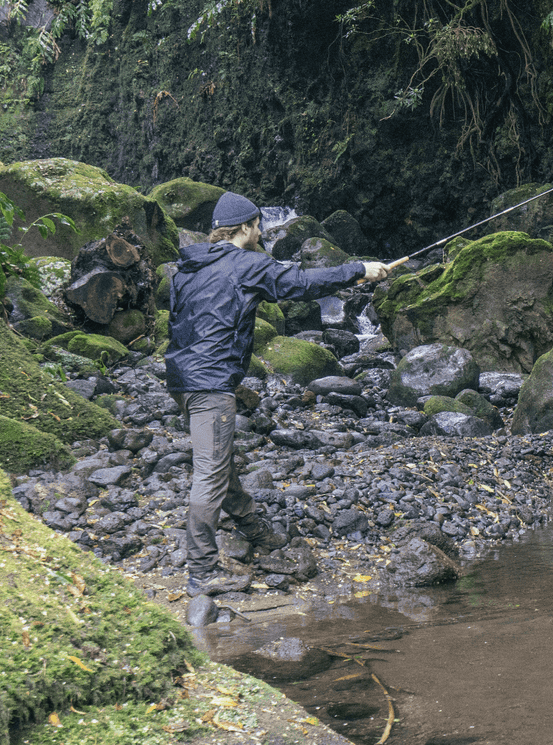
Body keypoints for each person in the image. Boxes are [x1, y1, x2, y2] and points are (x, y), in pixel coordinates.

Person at [166, 190, 401, 595]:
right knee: (209, 474)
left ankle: (256, 533)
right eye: (258, 226)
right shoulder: (245, 264)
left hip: (182, 381)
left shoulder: (187, 268)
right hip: (211, 385)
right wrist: (360, 269)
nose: (260, 232)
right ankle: (201, 574)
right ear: (245, 228)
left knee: (219, 462)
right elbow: (300, 283)